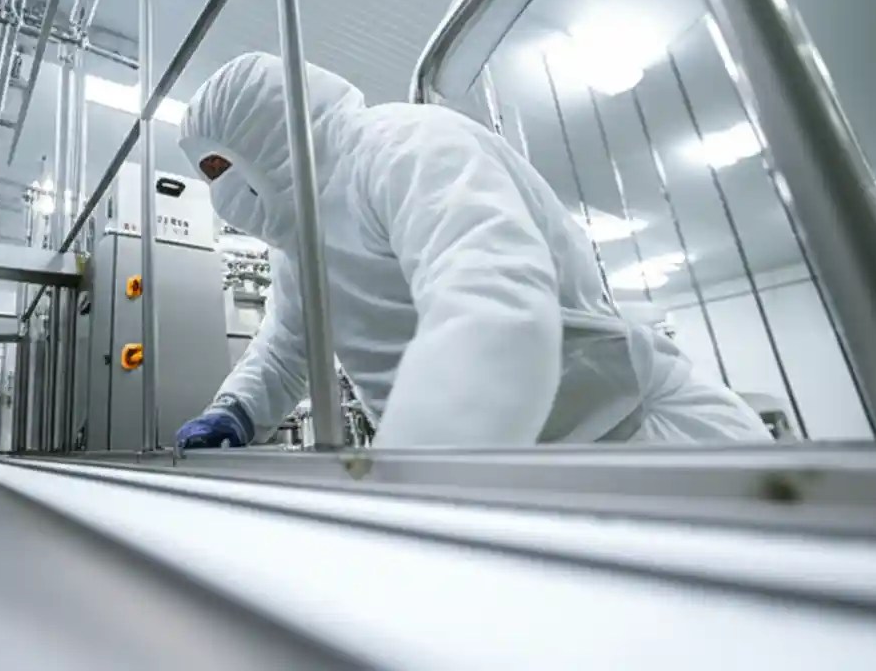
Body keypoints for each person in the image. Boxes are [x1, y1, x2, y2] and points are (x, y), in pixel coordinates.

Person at [174, 52, 768, 449]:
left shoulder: (401, 147)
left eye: (222, 165)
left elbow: (491, 301)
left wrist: (413, 464)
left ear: (267, 129)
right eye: (208, 176)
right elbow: (286, 348)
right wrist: (236, 411)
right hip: (507, 469)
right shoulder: (298, 243)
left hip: (641, 447)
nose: (221, 193)